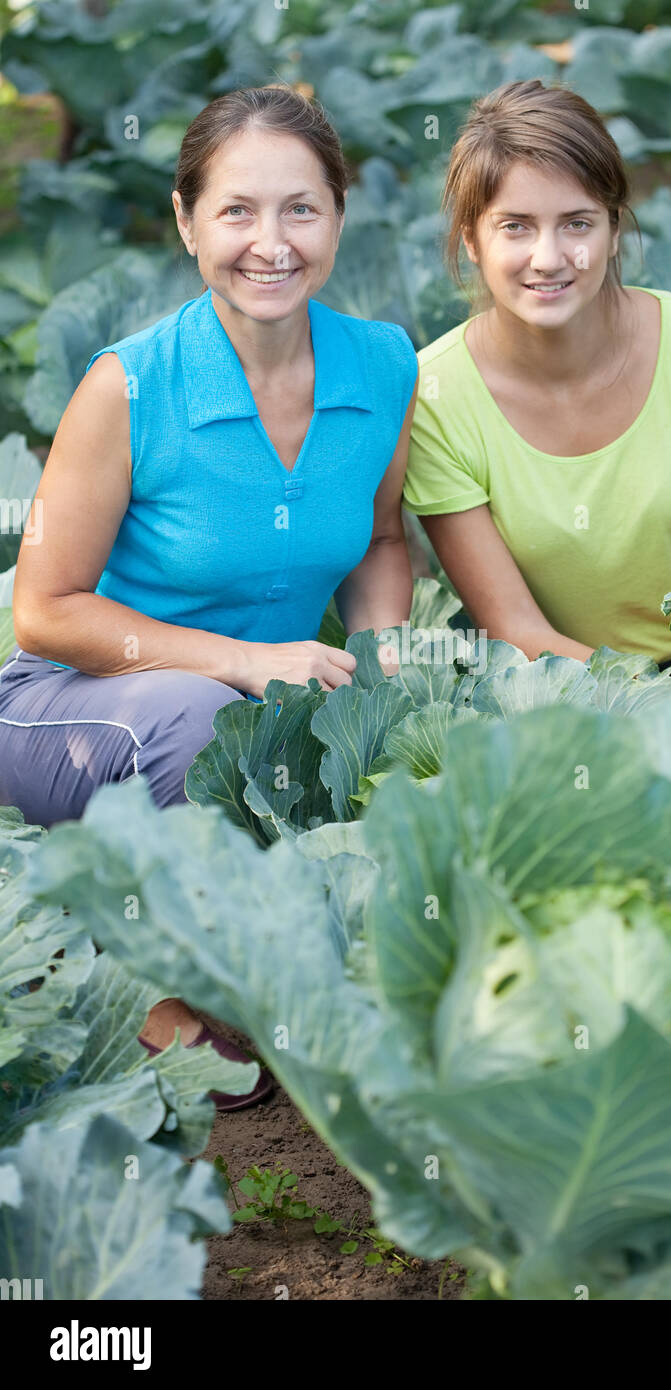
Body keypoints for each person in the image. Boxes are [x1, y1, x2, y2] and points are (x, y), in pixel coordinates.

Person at [0, 84, 418, 1106]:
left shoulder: (384, 364)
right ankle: (122, 963)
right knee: (196, 718)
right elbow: (47, 610)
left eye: (299, 209)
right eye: (236, 210)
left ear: (337, 218)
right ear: (186, 220)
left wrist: (384, 652)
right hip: (65, 710)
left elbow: (377, 539)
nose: (269, 243)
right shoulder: (130, 386)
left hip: (251, 721)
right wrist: (241, 661)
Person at [403, 80, 671, 718]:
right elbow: (514, 630)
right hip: (562, 685)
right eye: (516, 227)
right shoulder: (437, 394)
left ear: (614, 229)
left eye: (577, 223)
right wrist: (652, 706)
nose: (549, 257)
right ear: (472, 241)